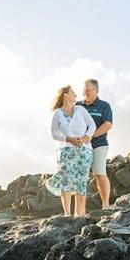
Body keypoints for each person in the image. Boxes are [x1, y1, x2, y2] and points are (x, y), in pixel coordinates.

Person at [45, 85, 96, 217]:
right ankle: (67, 215)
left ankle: (80, 215)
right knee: (66, 182)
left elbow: (92, 125)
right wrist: (68, 139)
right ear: (65, 95)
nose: (76, 95)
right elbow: (54, 133)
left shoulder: (80, 110)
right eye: (73, 93)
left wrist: (86, 138)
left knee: (81, 182)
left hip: (84, 151)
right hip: (66, 151)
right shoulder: (58, 113)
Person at [78, 78, 113, 209]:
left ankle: (105, 205)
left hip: (99, 144)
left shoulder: (104, 106)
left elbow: (108, 124)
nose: (85, 92)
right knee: (80, 175)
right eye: (84, 89)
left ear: (96, 90)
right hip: (80, 146)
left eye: (88, 90)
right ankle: (80, 208)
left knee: (99, 172)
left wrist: (90, 136)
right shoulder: (77, 106)